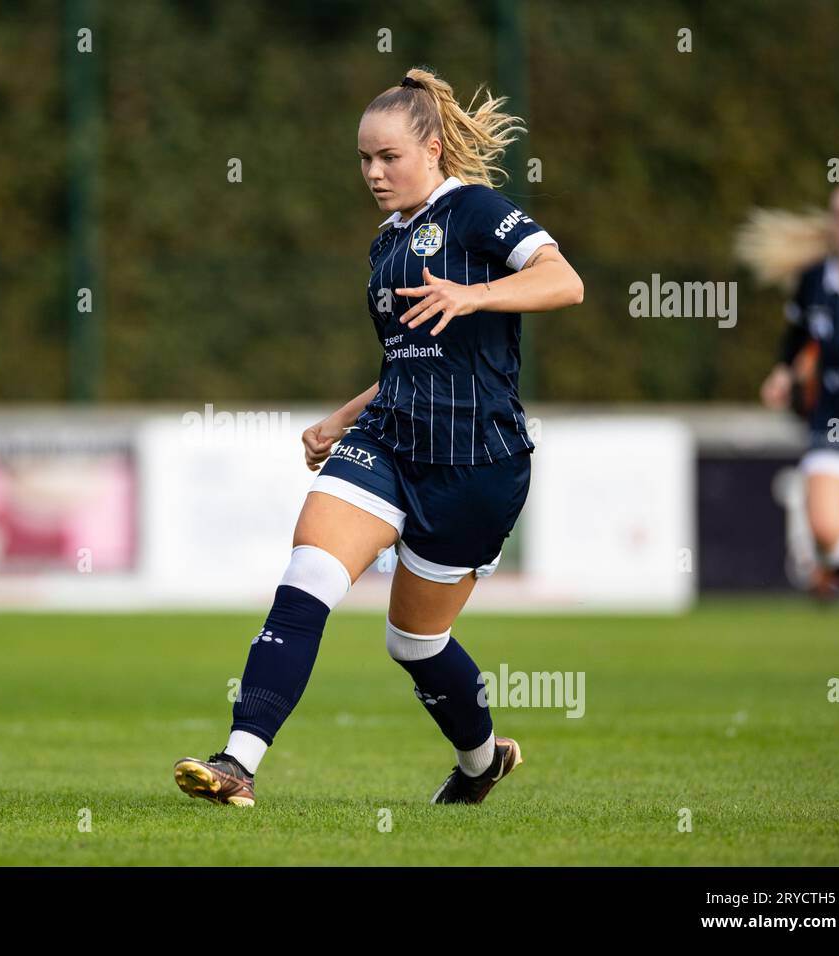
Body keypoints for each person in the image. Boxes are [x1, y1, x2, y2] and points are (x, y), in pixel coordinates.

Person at [173, 66, 583, 806]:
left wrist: (477, 294)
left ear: (432, 150)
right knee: (307, 583)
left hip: (475, 465)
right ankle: (238, 762)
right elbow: (409, 359)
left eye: (387, 156)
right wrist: (342, 417)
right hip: (388, 441)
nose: (372, 171)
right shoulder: (386, 245)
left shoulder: (475, 211)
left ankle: (481, 761)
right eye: (363, 157)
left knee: (414, 644)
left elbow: (565, 281)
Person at [752, 181, 839, 683]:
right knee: (828, 531)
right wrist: (782, 374)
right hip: (836, 423)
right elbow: (796, 341)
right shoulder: (814, 281)